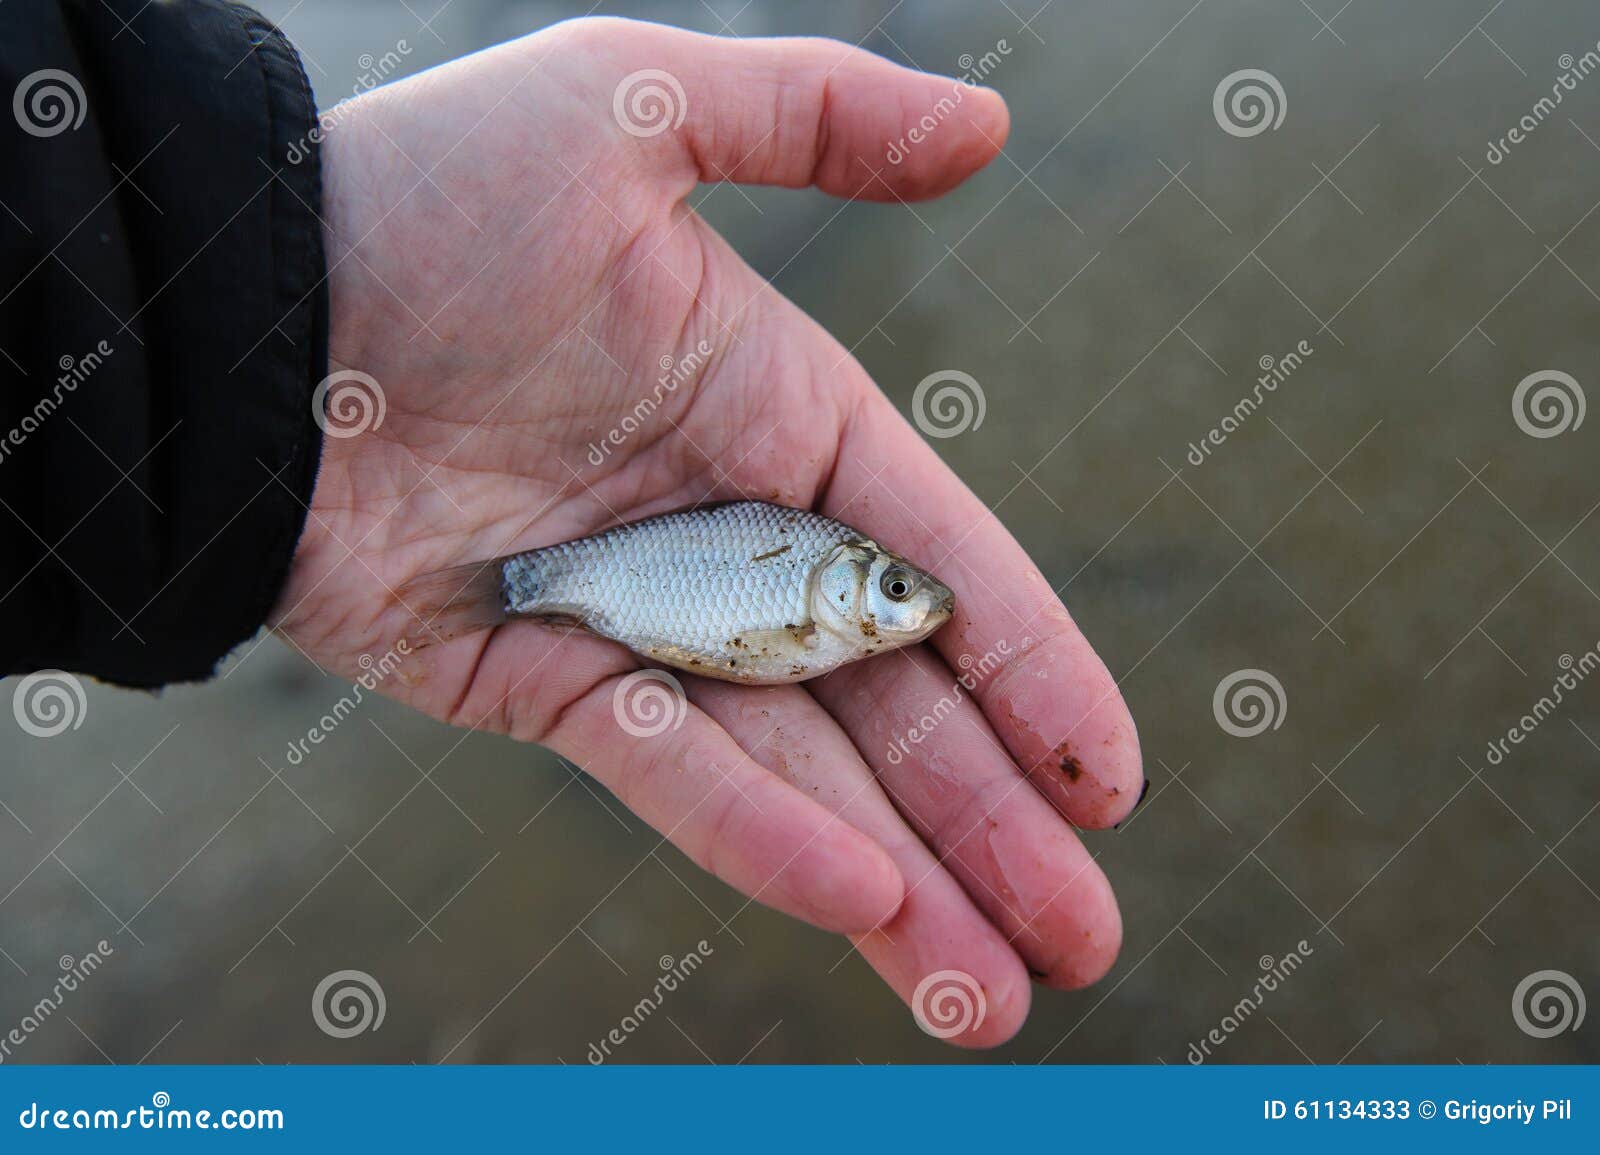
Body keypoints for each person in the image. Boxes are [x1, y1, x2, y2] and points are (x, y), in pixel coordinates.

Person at [1, 1, 1143, 1047]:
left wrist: (264, 295)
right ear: (848, 583)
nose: (905, 605)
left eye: (899, 595)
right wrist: (295, 275)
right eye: (893, 589)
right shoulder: (809, 602)